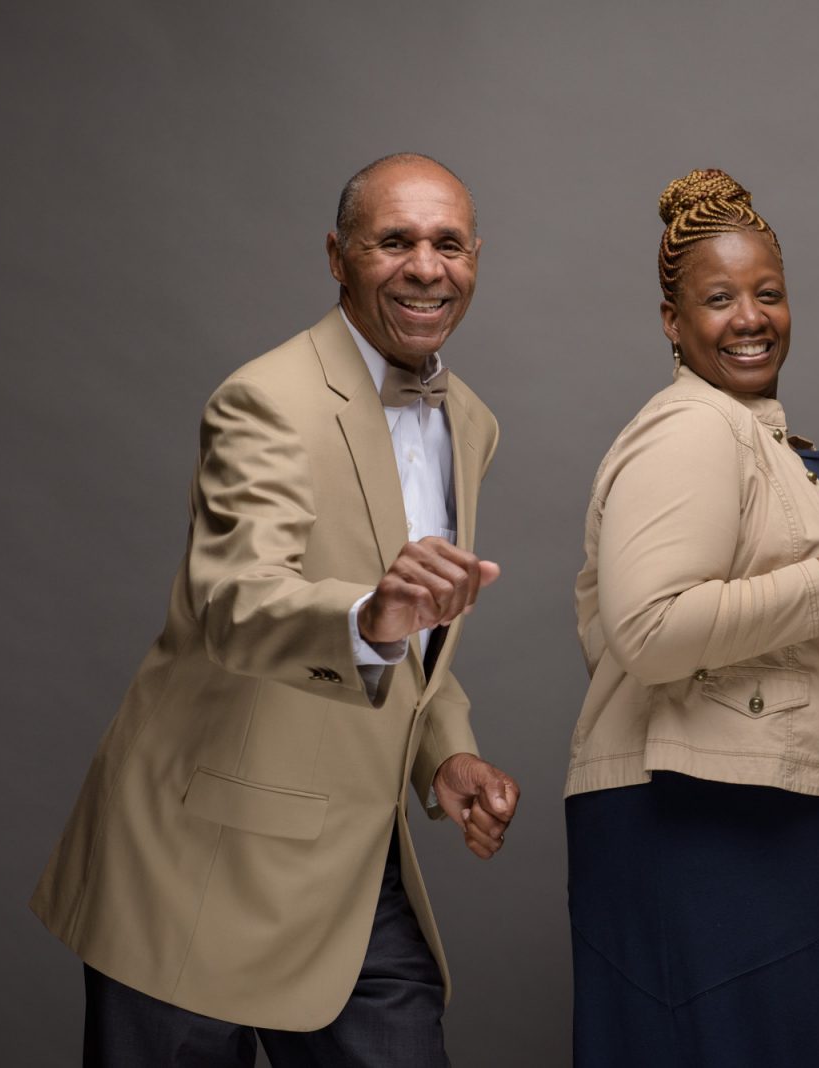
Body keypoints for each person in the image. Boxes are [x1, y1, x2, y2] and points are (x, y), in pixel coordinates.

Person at [31, 153, 521, 1067]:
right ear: (337, 256)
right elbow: (236, 599)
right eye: (394, 241)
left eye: (448, 243)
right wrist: (370, 613)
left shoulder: (473, 422)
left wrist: (444, 752)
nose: (426, 266)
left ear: (476, 259)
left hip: (352, 866)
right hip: (194, 866)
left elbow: (418, 645)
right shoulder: (267, 399)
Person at [564, 168, 819, 1067]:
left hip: (814, 842)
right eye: (718, 298)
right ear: (671, 320)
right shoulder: (692, 430)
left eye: (768, 293)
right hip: (720, 846)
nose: (750, 317)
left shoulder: (774, 448)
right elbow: (650, 631)